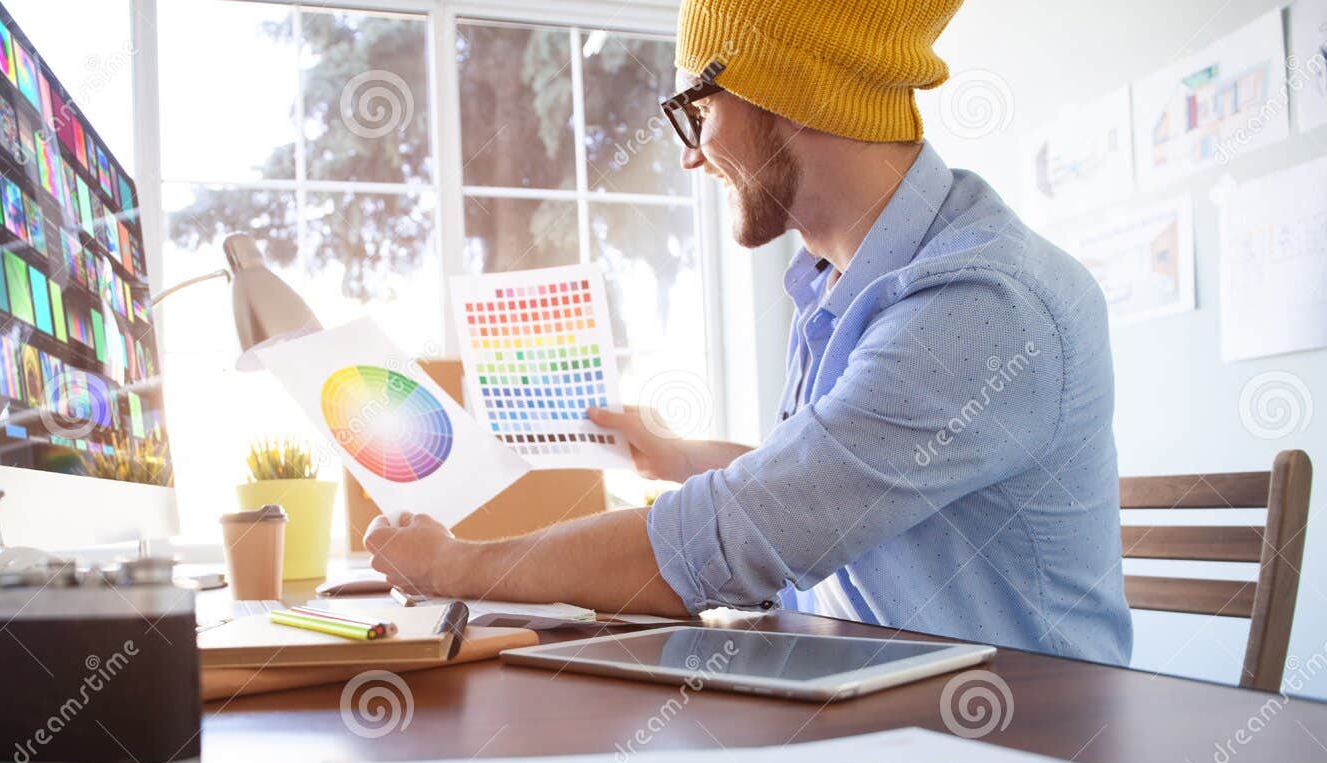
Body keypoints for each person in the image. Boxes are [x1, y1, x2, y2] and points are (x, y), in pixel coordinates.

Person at [367, 0, 1132, 664]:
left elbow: (726, 543)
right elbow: (825, 480)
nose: (692, 153)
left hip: (1020, 743)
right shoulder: (842, 280)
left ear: (789, 89)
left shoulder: (981, 305)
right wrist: (681, 456)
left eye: (698, 108)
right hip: (884, 695)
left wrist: (457, 566)